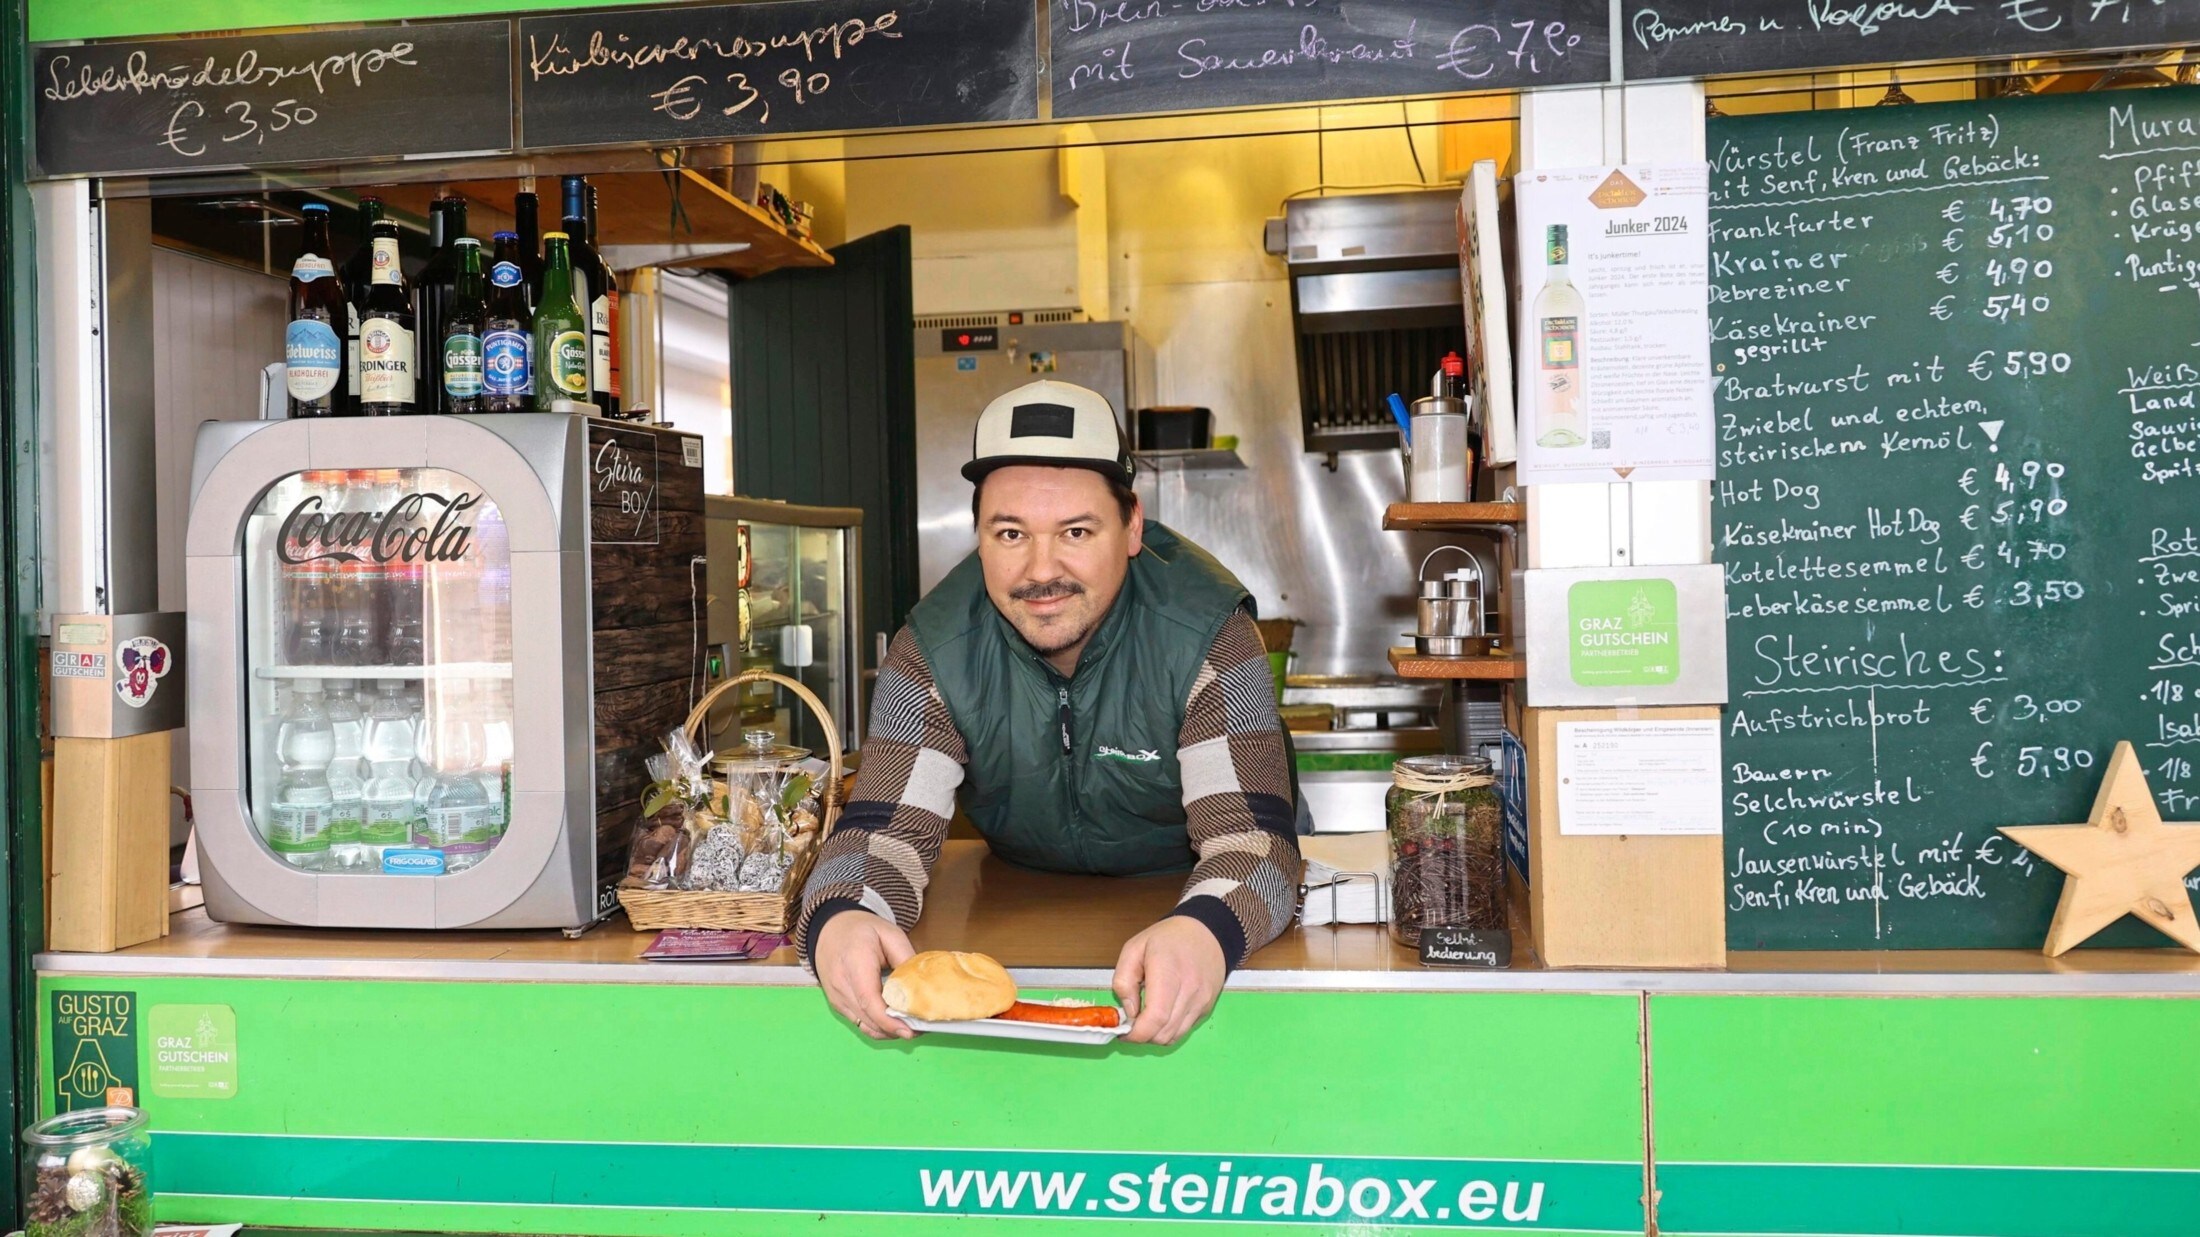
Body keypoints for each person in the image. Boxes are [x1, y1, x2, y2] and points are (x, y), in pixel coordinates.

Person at [799, 380, 1299, 1046]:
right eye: (1010, 532)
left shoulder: (1206, 630)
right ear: (978, 535)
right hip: (1021, 901)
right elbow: (879, 832)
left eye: (1076, 531)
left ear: (1132, 528)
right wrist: (841, 916)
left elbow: (1254, 842)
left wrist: (1208, 926)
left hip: (1189, 897)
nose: (1041, 570)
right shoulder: (935, 647)